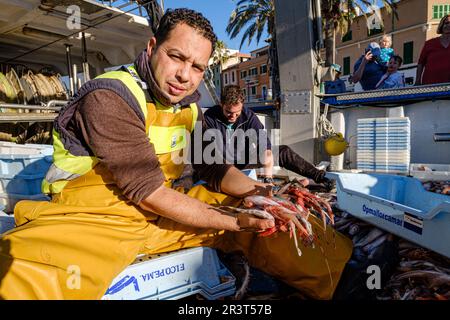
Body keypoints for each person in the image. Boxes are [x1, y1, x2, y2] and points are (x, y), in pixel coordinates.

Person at [0, 8, 352, 300]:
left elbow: (213, 169)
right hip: (94, 220)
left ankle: (344, 278)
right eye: (176, 57)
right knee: (25, 272)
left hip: (164, 213)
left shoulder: (189, 106)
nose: (185, 75)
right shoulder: (109, 97)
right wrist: (235, 221)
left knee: (280, 225)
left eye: (198, 67)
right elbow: (148, 192)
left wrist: (259, 194)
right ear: (153, 47)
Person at [203, 85, 330, 185]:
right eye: (229, 112)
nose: (233, 117)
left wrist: (268, 178)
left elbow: (263, 143)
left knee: (282, 151)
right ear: (221, 104)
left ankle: (321, 178)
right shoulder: (209, 116)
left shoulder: (248, 116)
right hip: (220, 163)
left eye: (237, 113)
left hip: (244, 160)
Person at [415, 14, 450, 85]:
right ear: (441, 25)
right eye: (446, 23)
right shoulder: (429, 43)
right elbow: (421, 63)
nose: (448, 25)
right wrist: (417, 81)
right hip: (430, 85)